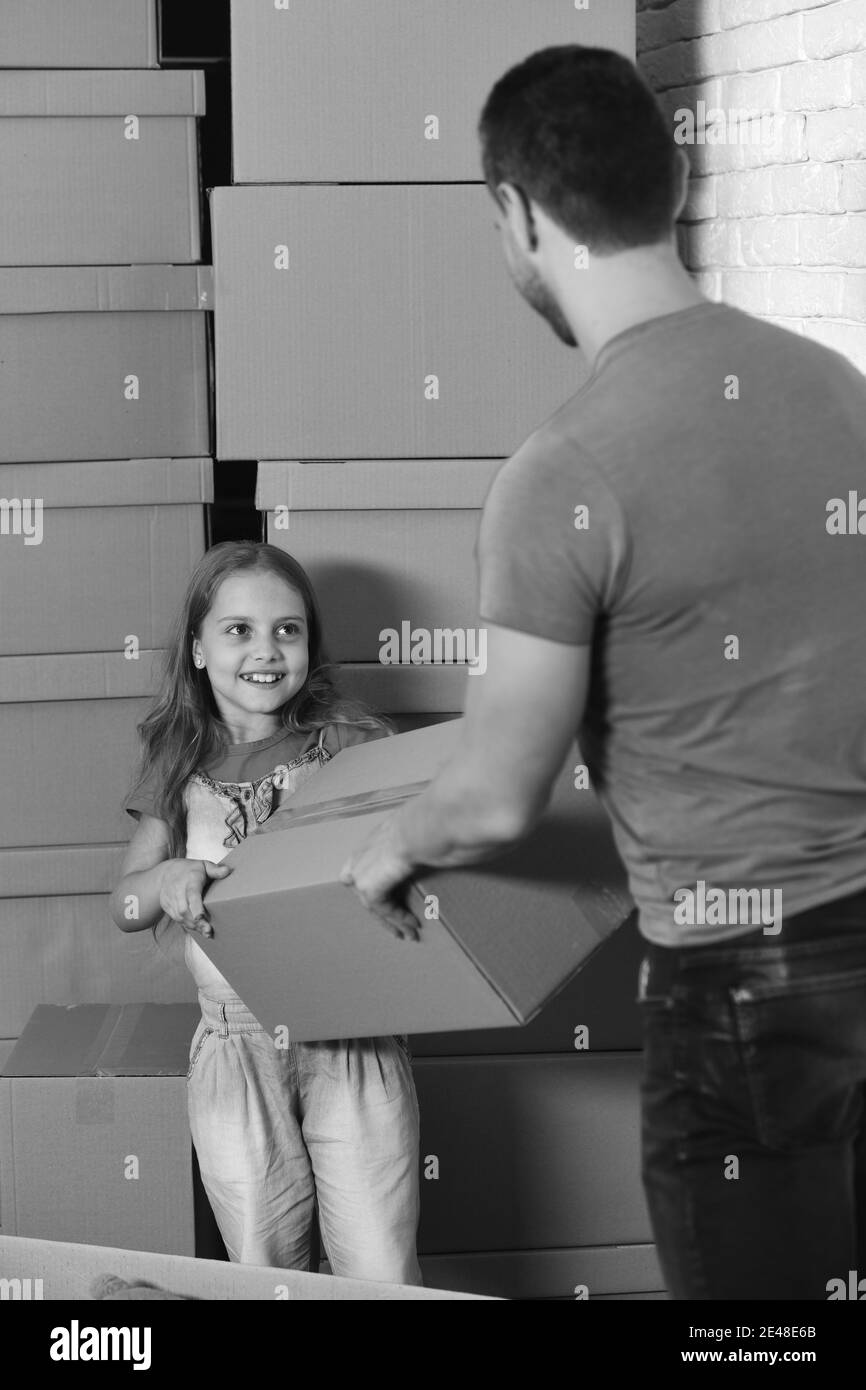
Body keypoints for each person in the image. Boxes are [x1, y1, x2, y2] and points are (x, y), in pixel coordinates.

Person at [340, 45, 866, 1300]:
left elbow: (498, 793)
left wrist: (391, 843)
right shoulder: (839, 392)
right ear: (672, 180)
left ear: (516, 215)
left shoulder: (561, 471)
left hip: (743, 986)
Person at [110, 541, 422, 1284]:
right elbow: (124, 904)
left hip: (352, 1033)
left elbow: (418, 848)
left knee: (377, 1257)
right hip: (234, 1043)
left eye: (288, 629)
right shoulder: (177, 763)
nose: (266, 649)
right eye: (238, 629)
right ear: (196, 647)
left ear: (310, 644)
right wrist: (169, 876)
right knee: (262, 1264)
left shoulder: (349, 742)